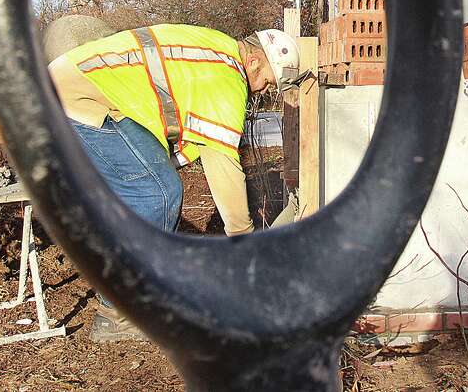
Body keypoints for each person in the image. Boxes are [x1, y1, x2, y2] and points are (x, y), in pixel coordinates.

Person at [48, 24, 302, 341]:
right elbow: (222, 163)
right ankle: (116, 315)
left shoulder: (217, 51)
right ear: (253, 62)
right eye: (267, 81)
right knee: (158, 195)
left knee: (146, 189)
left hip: (79, 90)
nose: (263, 91)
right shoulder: (226, 78)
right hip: (78, 98)